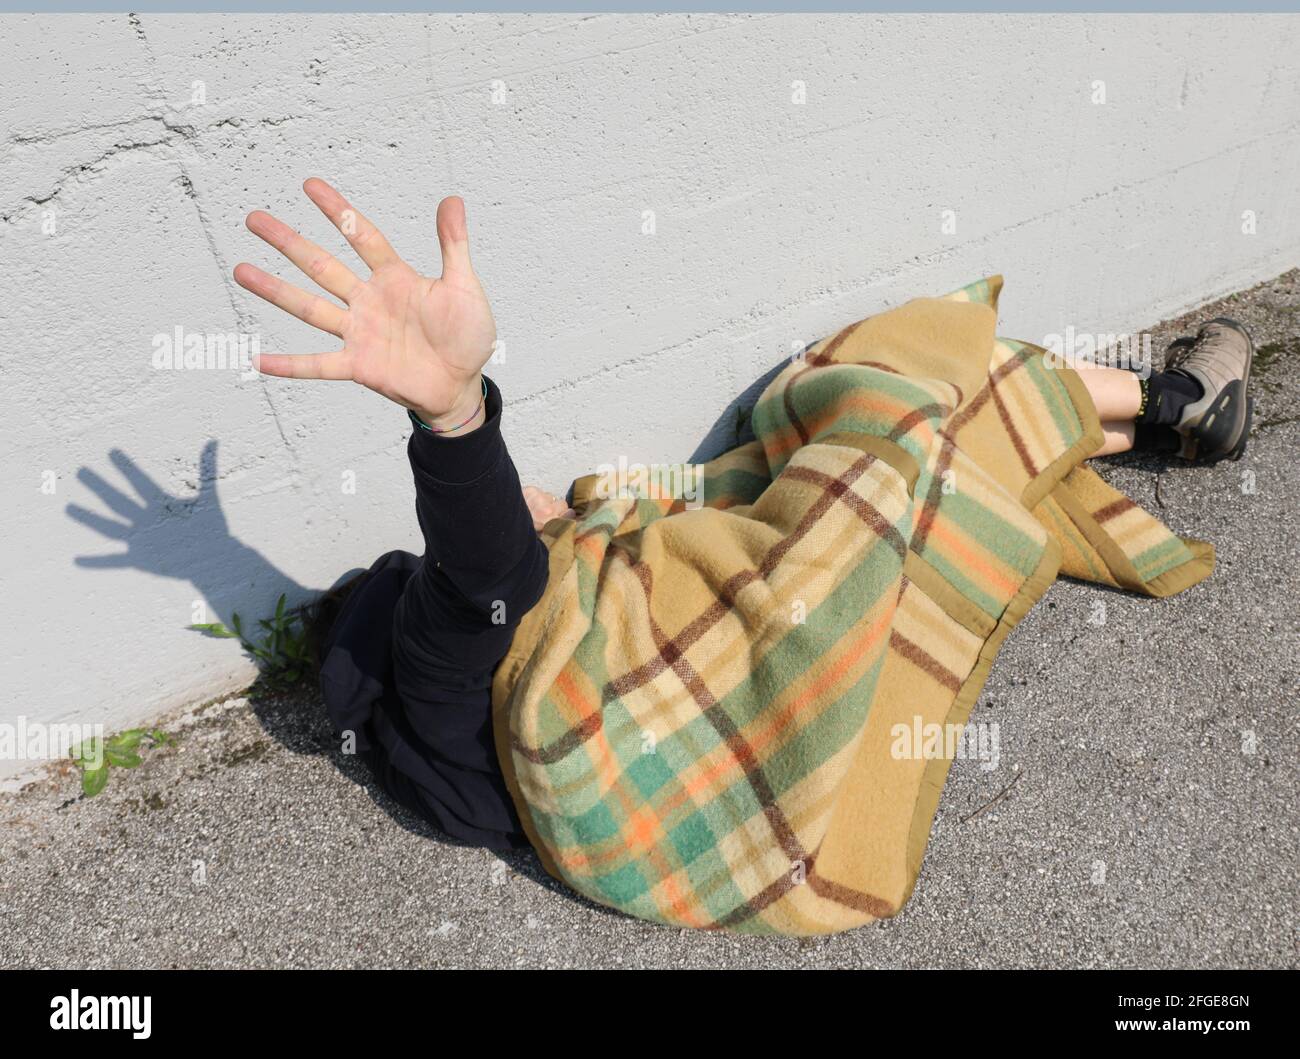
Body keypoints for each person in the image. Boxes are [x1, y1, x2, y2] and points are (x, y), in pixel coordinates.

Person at [234, 178, 1254, 852]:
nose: (542, 503)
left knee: (919, 467)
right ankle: (1167, 401)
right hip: (784, 633)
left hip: (806, 659)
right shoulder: (451, 665)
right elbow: (484, 584)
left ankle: (1157, 421)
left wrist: (608, 509)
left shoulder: (457, 772)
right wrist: (455, 420)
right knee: (882, 375)